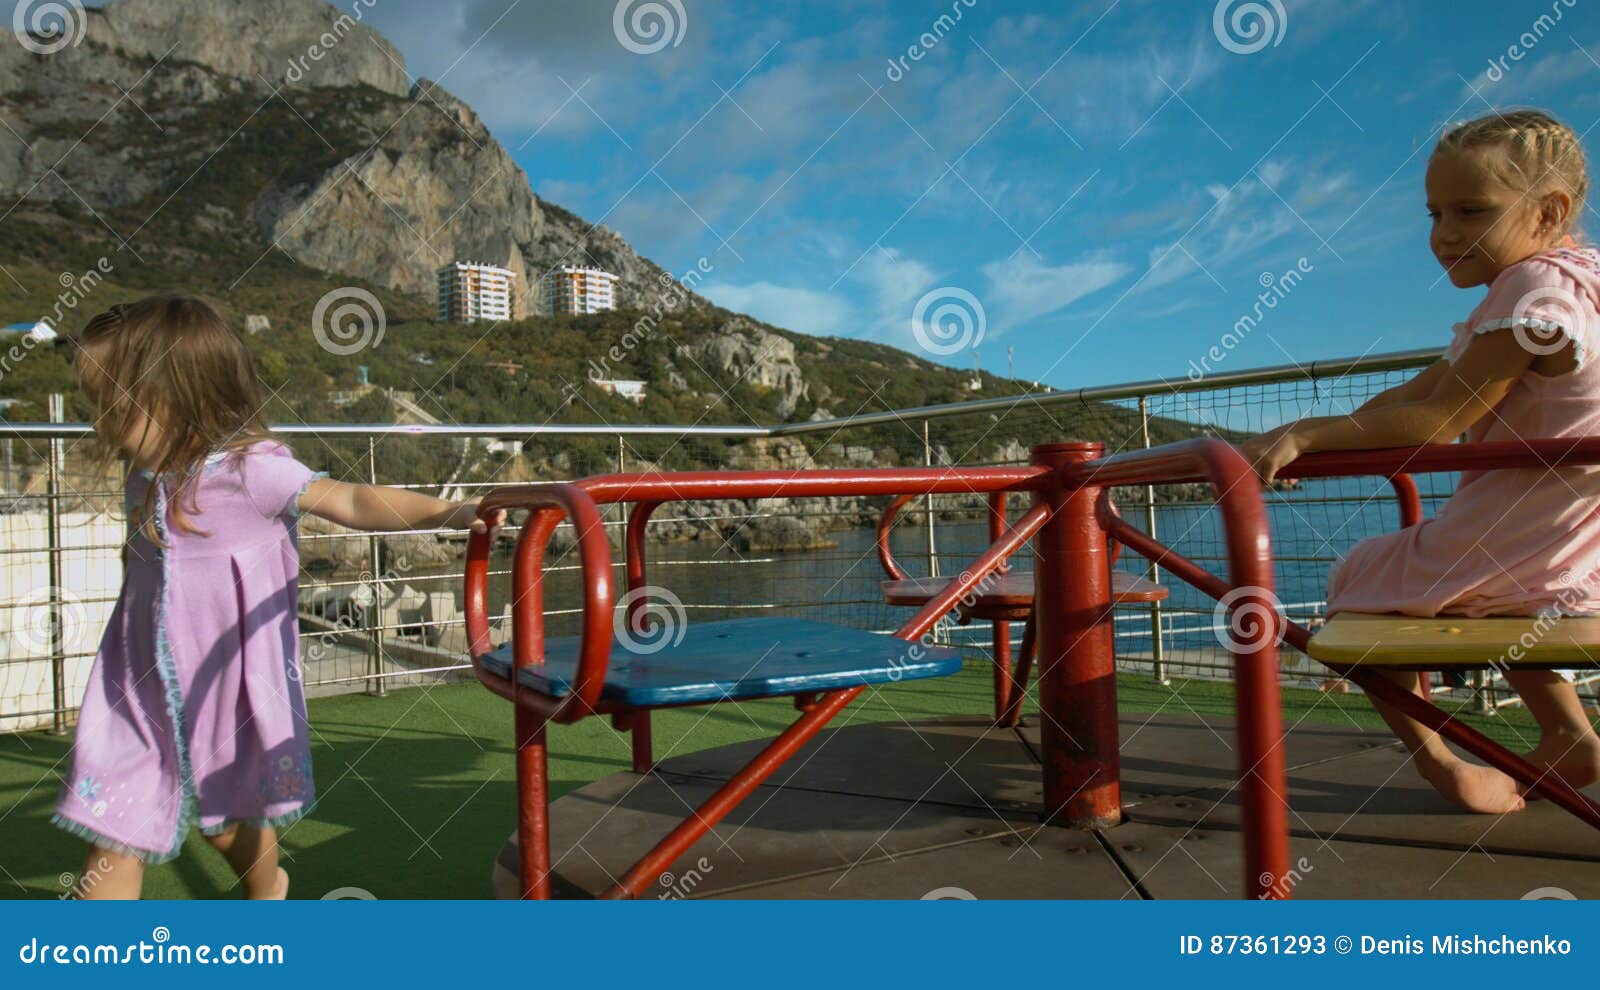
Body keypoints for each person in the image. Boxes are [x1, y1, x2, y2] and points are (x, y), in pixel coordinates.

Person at [52, 295, 501, 898]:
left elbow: (352, 500)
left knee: (227, 821)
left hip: (226, 685)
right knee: (110, 827)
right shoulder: (145, 477)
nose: (100, 422)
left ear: (177, 399)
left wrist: (446, 511)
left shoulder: (251, 471)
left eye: (113, 406)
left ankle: (268, 889)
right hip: (137, 685)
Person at [1243, 108, 1600, 814]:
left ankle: (1439, 763)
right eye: (1435, 213)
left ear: (1549, 210)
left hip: (1525, 532)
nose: (1445, 235)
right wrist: (1337, 422)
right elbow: (1425, 387)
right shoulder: (1576, 279)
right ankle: (1566, 732)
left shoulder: (1531, 292)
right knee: (1506, 605)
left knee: (1360, 575)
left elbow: (1439, 420)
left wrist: (1312, 435)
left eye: (1473, 210)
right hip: (1574, 535)